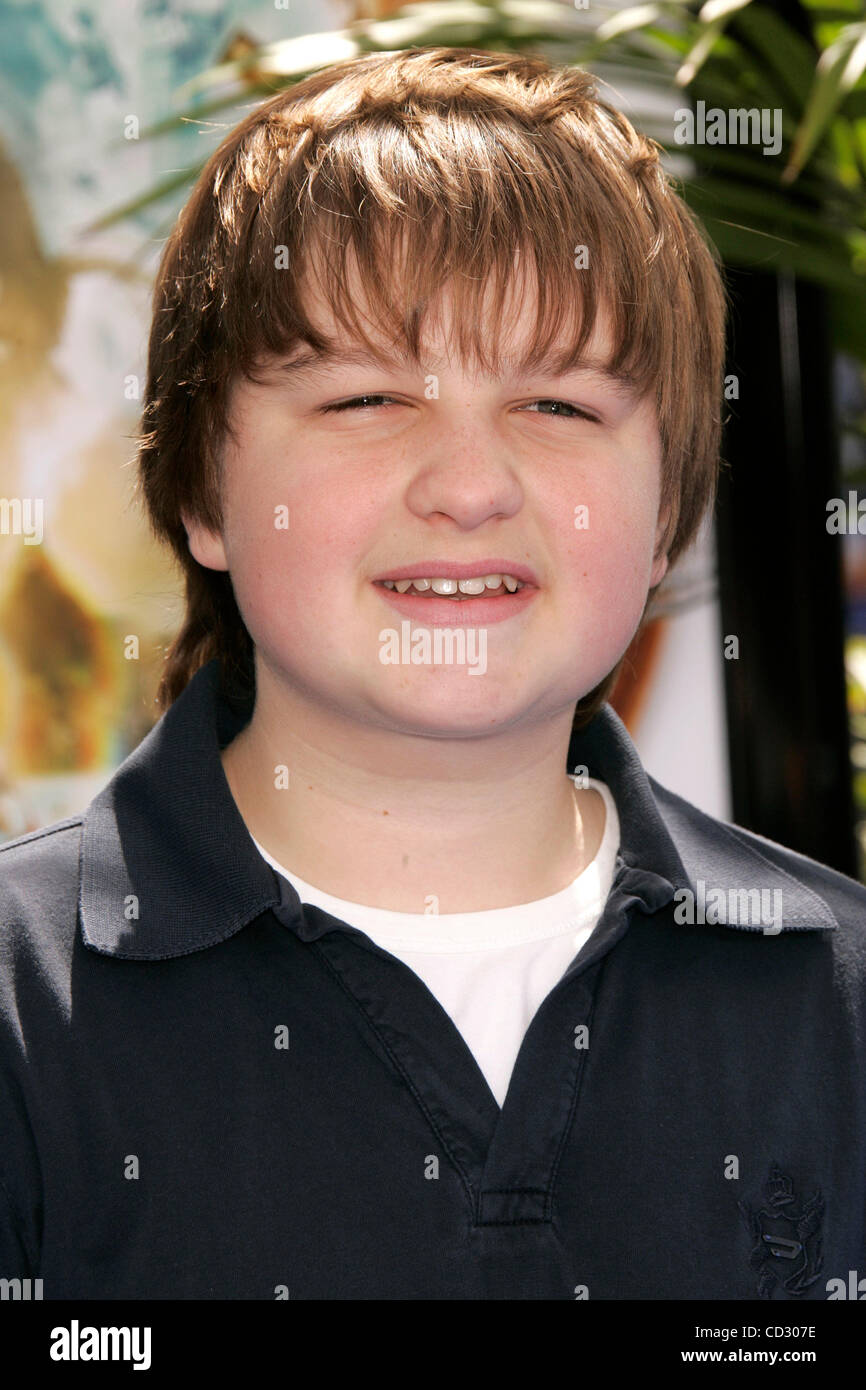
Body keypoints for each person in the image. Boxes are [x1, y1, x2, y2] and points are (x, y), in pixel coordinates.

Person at [1, 46, 864, 1302]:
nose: (468, 486)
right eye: (365, 399)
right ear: (200, 487)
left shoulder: (832, 994)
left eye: (558, 405)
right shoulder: (24, 1007)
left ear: (669, 500)